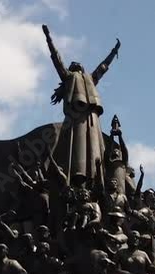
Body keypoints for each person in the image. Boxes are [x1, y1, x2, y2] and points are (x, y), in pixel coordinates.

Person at [43, 24, 120, 188]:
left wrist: (113, 53)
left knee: (94, 149)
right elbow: (57, 60)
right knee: (76, 147)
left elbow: (103, 68)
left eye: (77, 63)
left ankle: (94, 179)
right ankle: (76, 180)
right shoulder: (69, 76)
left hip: (92, 118)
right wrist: (48, 38)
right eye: (73, 64)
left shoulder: (90, 78)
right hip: (76, 116)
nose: (76, 63)